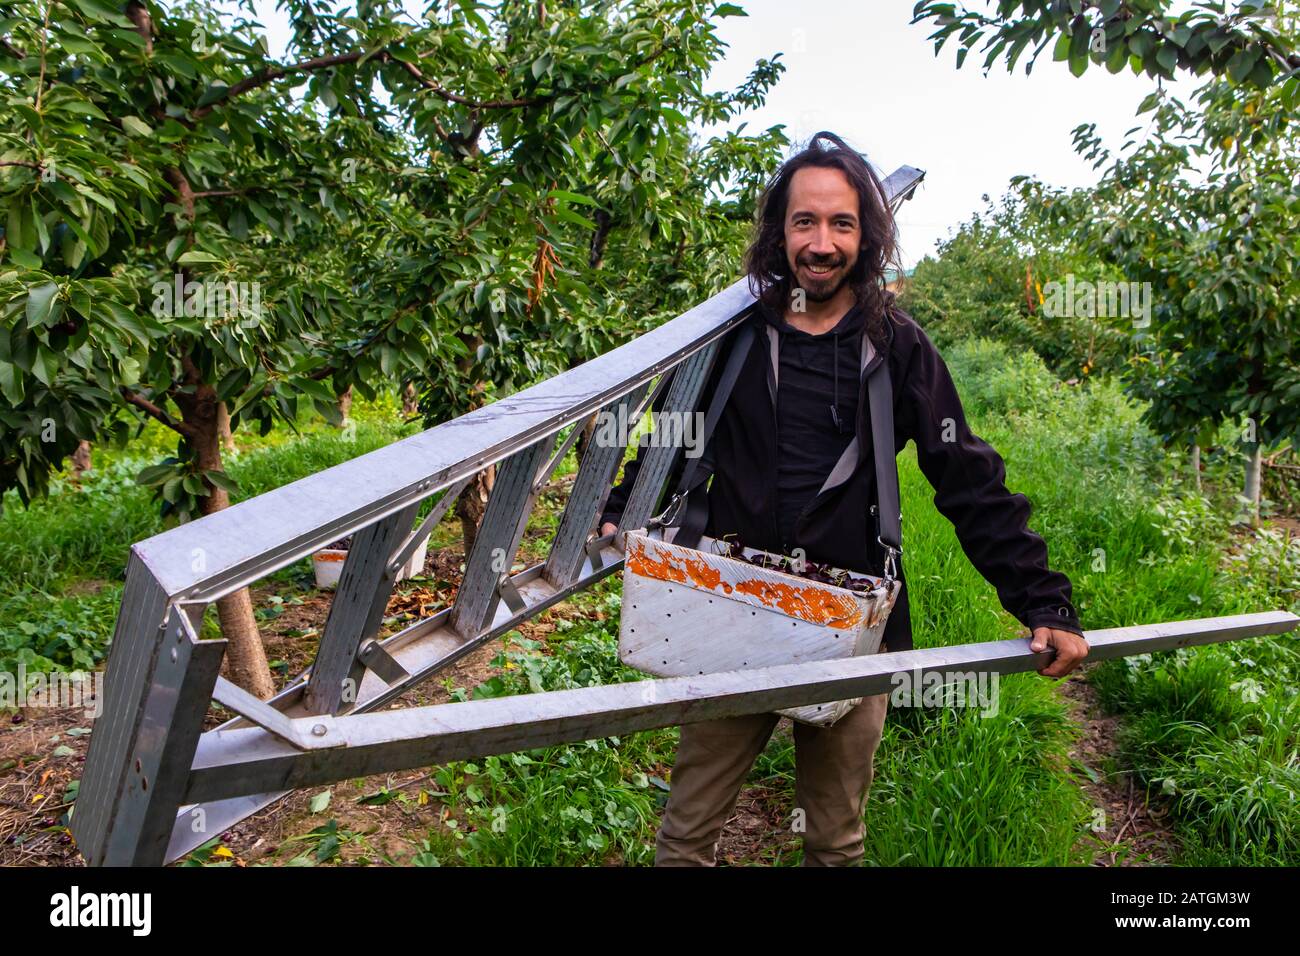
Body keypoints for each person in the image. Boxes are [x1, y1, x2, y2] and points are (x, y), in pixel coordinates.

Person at [597, 131, 1089, 866]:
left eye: (841, 223)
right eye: (805, 222)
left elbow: (969, 478)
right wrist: (622, 505)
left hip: (850, 621)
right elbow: (669, 436)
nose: (820, 243)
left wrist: (1043, 602)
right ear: (779, 231)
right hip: (732, 607)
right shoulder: (728, 339)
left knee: (834, 840)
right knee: (686, 832)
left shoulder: (899, 348)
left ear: (867, 236)